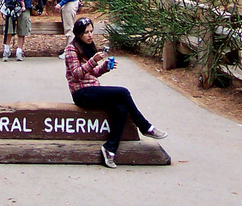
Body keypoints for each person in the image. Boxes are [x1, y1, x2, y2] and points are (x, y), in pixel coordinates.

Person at [65, 16, 167, 168]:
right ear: (79, 34)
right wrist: (93, 60)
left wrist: (105, 67)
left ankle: (109, 149)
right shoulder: (71, 49)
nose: (90, 35)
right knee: (123, 92)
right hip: (81, 93)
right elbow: (76, 74)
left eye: (91, 31)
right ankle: (145, 127)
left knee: (121, 108)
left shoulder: (88, 47)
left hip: (93, 88)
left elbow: (93, 73)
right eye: (86, 32)